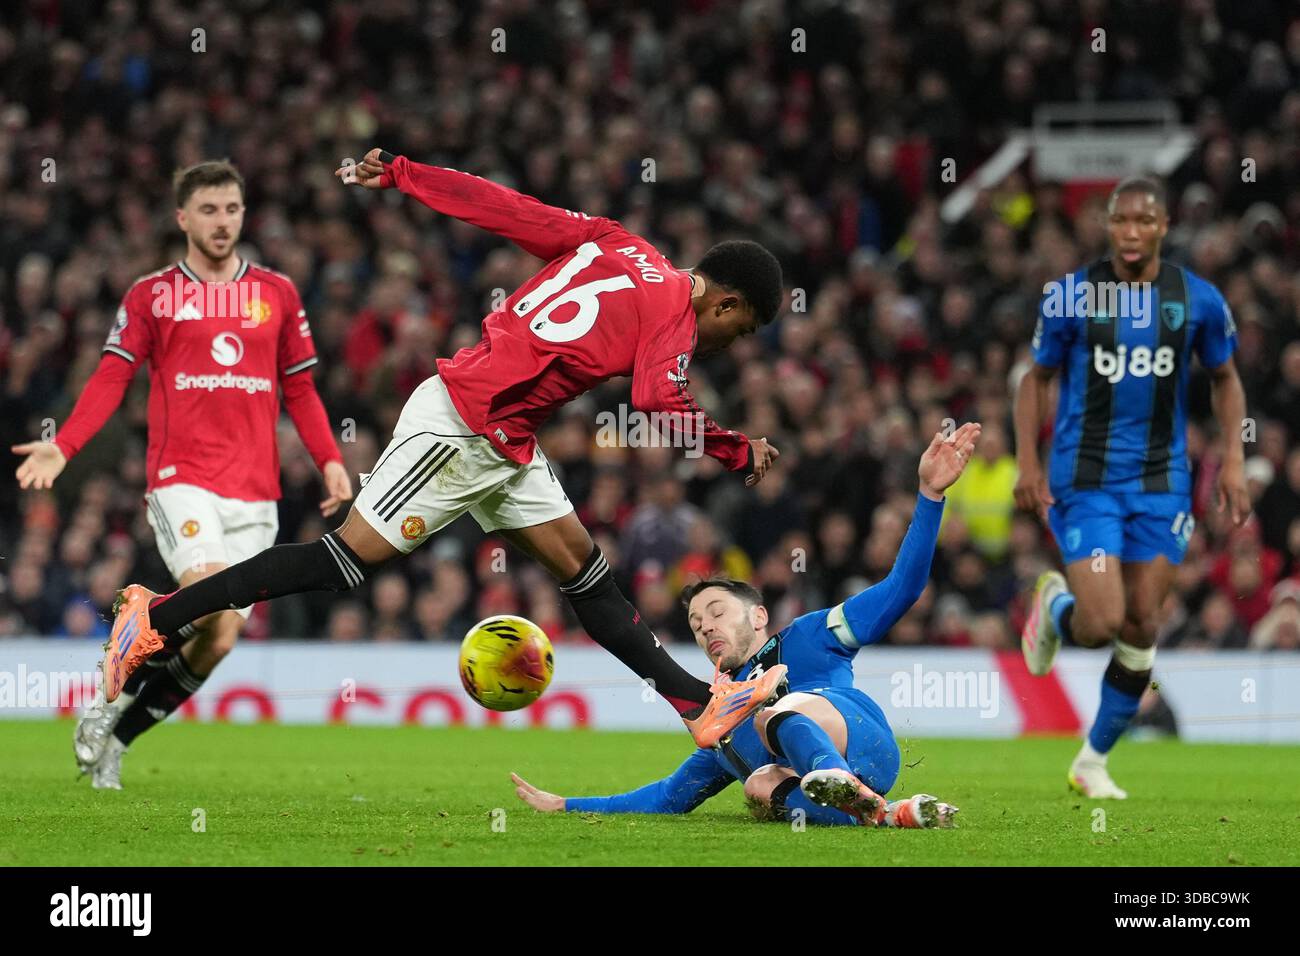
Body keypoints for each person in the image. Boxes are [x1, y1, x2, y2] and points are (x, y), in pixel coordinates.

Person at [98, 147, 789, 749]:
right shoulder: (674, 312)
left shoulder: (619, 244)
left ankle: (700, 704)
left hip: (507, 438)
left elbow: (503, 207)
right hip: (461, 424)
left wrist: (406, 173)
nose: (733, 343)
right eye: (745, 329)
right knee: (342, 562)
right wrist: (737, 452)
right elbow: (658, 399)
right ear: (725, 304)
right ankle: (154, 617)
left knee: (587, 575)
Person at [12, 160, 351, 789]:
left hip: (256, 494)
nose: (222, 223)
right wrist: (66, 445)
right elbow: (113, 375)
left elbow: (300, 388)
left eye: (232, 209)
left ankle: (118, 736)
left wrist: (330, 458)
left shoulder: (276, 293)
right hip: (181, 477)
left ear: (243, 214)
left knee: (218, 638)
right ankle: (111, 690)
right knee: (206, 586)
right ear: (182, 219)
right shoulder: (152, 295)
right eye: (209, 210)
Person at [511, 424, 980, 827]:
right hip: (817, 781)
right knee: (757, 785)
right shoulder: (719, 714)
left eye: (716, 612)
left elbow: (902, 589)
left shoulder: (811, 634)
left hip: (861, 740)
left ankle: (832, 773)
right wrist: (565, 804)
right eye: (696, 624)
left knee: (770, 709)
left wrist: (930, 495)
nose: (706, 627)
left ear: (758, 616)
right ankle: (883, 813)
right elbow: (667, 799)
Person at [1015, 176, 1250, 799]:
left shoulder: (1195, 300)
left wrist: (1232, 460)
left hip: (1163, 484)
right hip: (1085, 480)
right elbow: (1033, 379)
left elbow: (1226, 379)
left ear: (1163, 227)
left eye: (1145, 222)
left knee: (1143, 623)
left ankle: (1092, 760)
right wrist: (1028, 463)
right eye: (1122, 221)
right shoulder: (1070, 297)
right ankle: (1057, 608)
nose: (1132, 232)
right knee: (1102, 621)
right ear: (1109, 225)